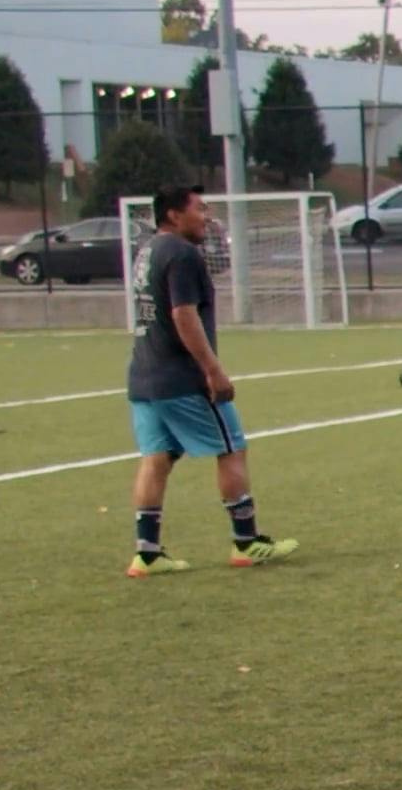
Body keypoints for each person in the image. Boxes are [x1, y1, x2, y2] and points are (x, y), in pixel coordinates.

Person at [123, 185, 298, 578]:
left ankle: (147, 553)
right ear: (173, 215)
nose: (208, 217)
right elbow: (184, 315)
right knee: (231, 448)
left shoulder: (147, 250)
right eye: (200, 209)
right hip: (181, 377)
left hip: (143, 376)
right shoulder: (183, 254)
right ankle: (247, 542)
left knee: (156, 459)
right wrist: (212, 369)